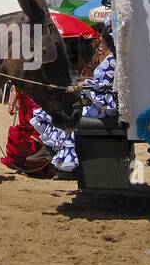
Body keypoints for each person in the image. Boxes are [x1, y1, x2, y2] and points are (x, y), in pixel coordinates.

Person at [30, 27, 117, 177]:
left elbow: (106, 86)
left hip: (101, 110)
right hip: (96, 105)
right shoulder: (109, 59)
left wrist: (85, 85)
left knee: (69, 118)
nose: (100, 47)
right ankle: (51, 149)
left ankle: (61, 158)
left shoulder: (111, 61)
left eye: (102, 43)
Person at [1, 84, 56, 178]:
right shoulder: (19, 75)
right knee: (24, 136)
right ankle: (24, 165)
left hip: (36, 110)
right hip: (23, 110)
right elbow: (15, 89)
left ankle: (38, 168)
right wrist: (11, 104)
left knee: (37, 136)